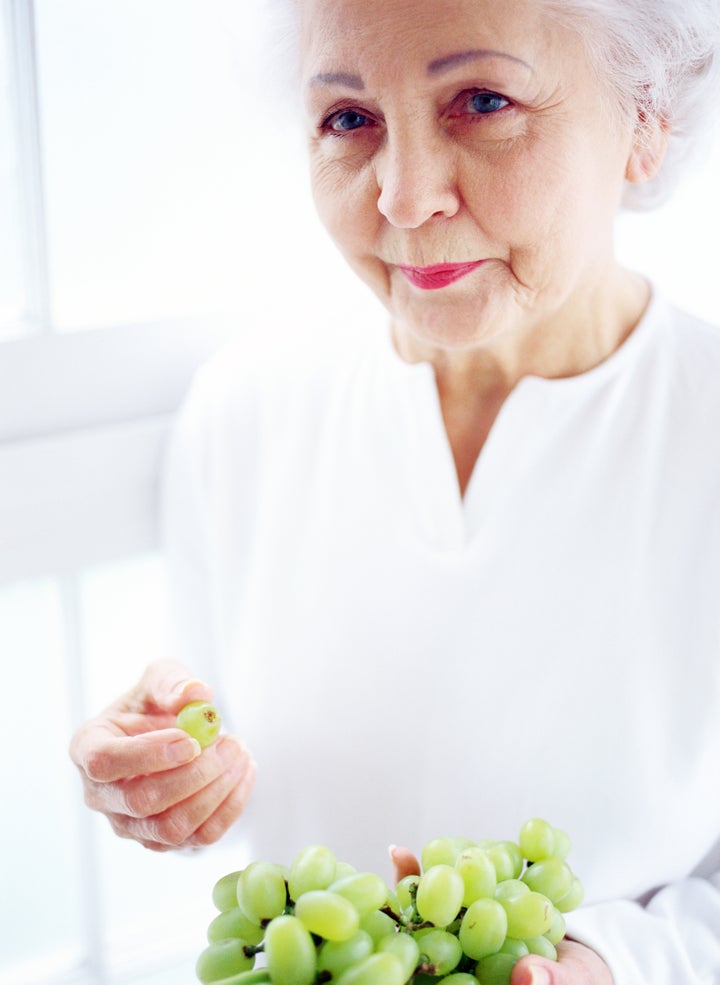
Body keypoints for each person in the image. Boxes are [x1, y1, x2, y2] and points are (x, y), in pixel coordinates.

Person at [69, 0, 720, 982]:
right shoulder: (244, 411)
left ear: (647, 116)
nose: (406, 198)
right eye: (347, 119)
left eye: (484, 100)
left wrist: (611, 961)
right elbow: (244, 797)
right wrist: (165, 780)